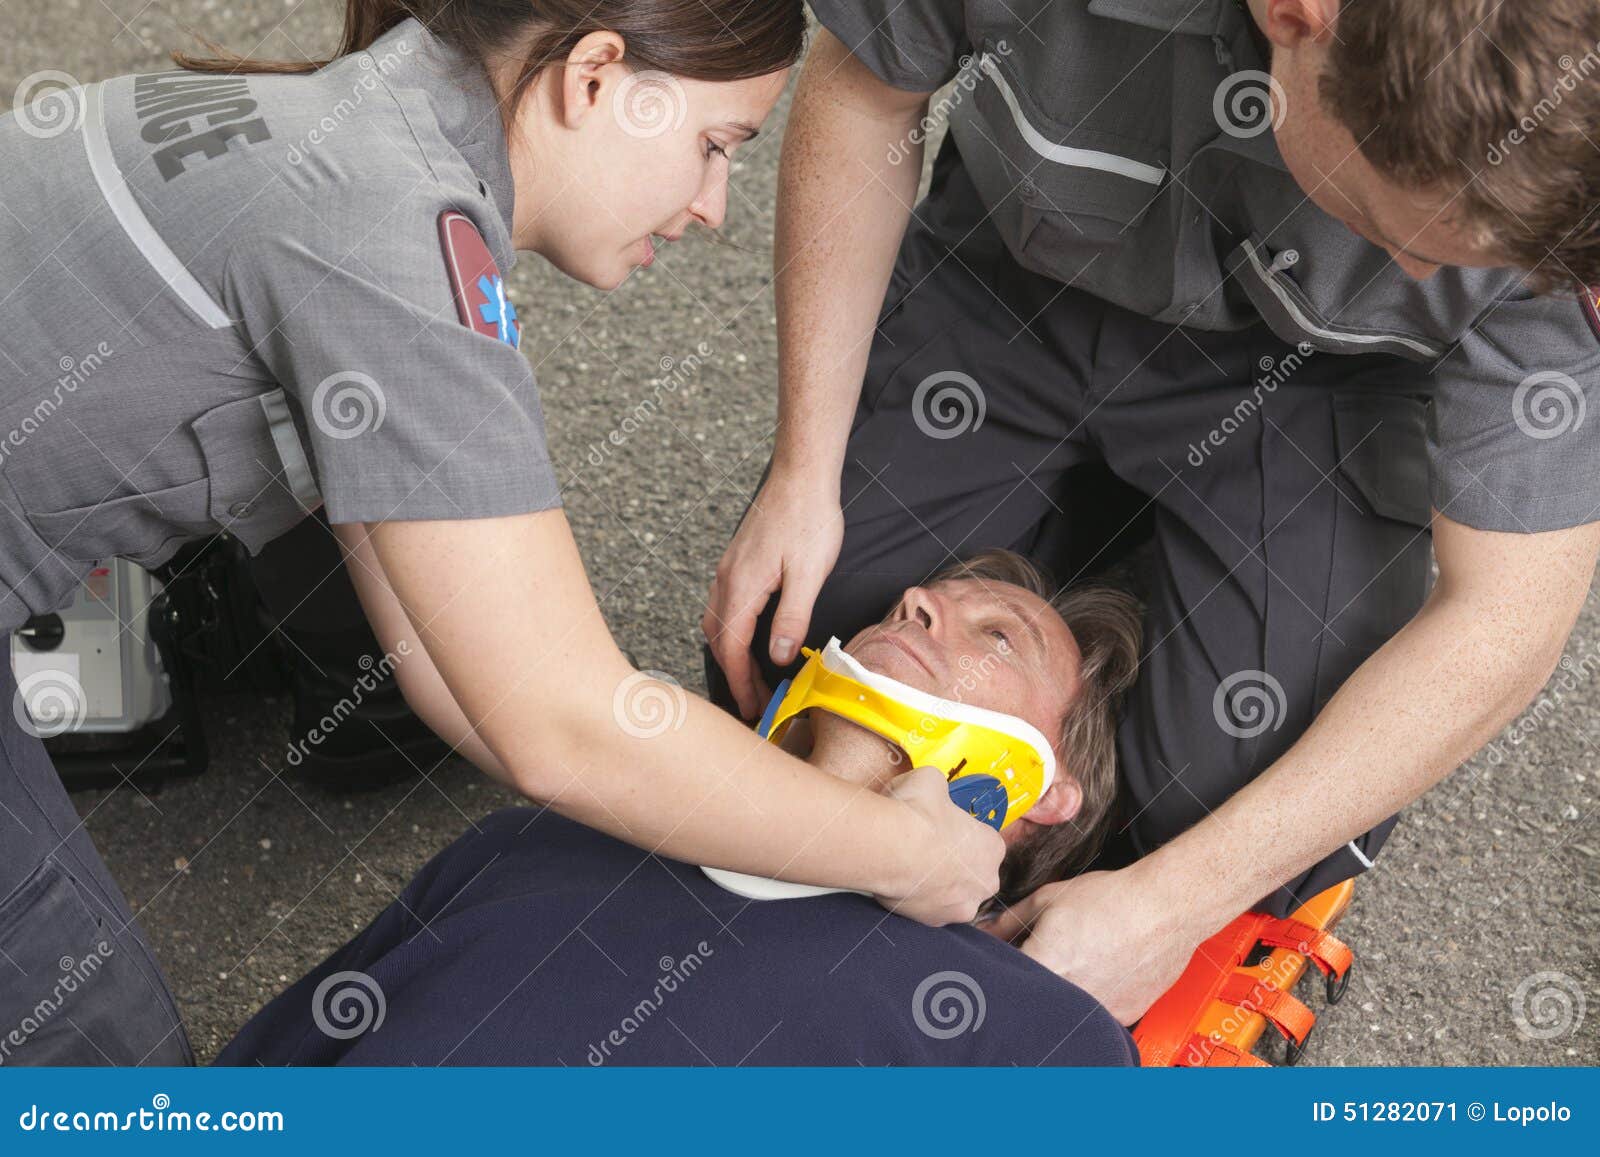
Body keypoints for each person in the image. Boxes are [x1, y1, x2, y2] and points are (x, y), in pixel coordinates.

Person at [0, 1, 1006, 1067]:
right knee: (99, 1076)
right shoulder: (386, 234)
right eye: (715, 148)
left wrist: (723, 804)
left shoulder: (363, 120)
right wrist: (903, 851)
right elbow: (563, 727)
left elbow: (454, 668)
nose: (715, 207)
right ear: (596, 74)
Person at [701, 0, 1600, 1024]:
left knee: (1223, 799)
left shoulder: (1563, 151)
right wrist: (801, 472)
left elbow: (1506, 616)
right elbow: (866, 91)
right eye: (1392, 230)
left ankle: (1135, 601)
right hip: (1019, 281)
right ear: (1294, 17)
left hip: (1320, 388)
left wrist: (1178, 898)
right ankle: (1103, 565)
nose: (1418, 278)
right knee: (809, 646)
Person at [217, 550, 1143, 1066]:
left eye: (996, 636)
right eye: (920, 601)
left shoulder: (1037, 1034)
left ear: (1049, 793)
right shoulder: (546, 831)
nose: (915, 606)